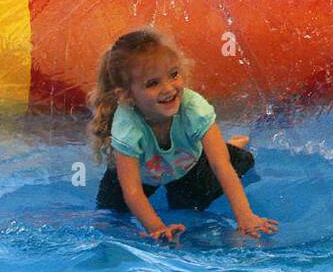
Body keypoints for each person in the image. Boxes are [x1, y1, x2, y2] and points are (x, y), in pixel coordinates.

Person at [88, 28, 277, 243]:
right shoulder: (127, 125)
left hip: (187, 164)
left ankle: (230, 145)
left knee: (192, 205)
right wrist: (157, 227)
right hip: (142, 173)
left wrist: (245, 216)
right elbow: (131, 191)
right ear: (127, 95)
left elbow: (220, 165)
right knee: (108, 218)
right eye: (152, 83)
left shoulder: (193, 108)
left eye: (174, 74)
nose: (168, 88)